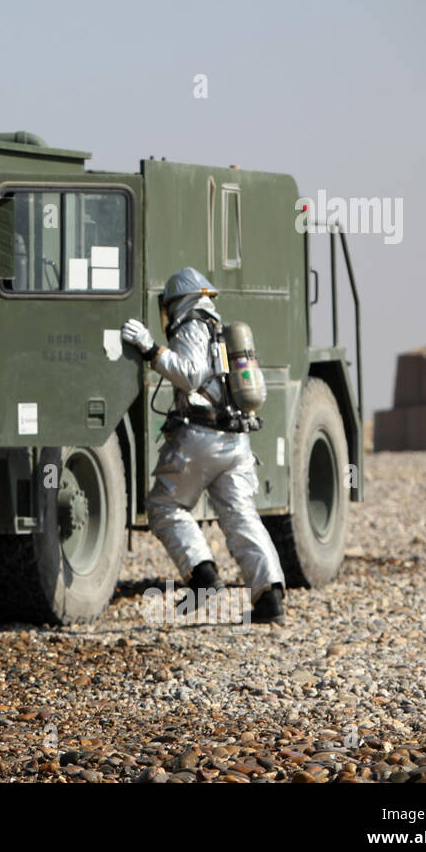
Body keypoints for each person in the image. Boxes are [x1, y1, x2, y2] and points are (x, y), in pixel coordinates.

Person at [120, 267, 287, 623]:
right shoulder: (222, 331)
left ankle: (203, 577)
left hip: (201, 438)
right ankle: (270, 596)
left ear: (177, 301)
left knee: (165, 506)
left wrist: (150, 348)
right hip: (236, 441)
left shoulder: (191, 326)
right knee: (241, 517)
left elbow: (190, 373)